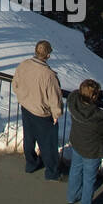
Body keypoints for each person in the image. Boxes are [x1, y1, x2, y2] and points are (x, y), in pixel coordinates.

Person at [11, 40, 63, 180]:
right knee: (48, 145)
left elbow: (15, 84)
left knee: (29, 138)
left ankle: (31, 164)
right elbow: (55, 98)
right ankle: (51, 172)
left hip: (26, 108)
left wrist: (23, 97)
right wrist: (56, 113)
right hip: (42, 114)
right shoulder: (49, 75)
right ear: (48, 55)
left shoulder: (24, 65)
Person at [66, 80, 103, 204]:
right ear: (93, 97)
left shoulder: (73, 101)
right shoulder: (98, 117)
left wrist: (100, 94)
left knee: (75, 170)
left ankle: (72, 196)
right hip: (92, 150)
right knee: (89, 180)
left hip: (77, 143)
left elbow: (81, 94)